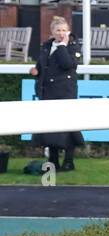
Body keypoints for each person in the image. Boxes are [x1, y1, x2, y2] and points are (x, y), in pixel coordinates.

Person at [30, 16, 83, 171]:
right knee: (49, 128)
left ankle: (69, 160)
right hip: (47, 93)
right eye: (58, 30)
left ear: (68, 31)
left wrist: (62, 46)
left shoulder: (72, 47)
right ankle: (53, 160)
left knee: (68, 128)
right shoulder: (46, 46)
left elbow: (67, 64)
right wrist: (35, 71)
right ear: (52, 32)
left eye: (64, 30)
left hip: (65, 92)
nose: (61, 33)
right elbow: (42, 65)